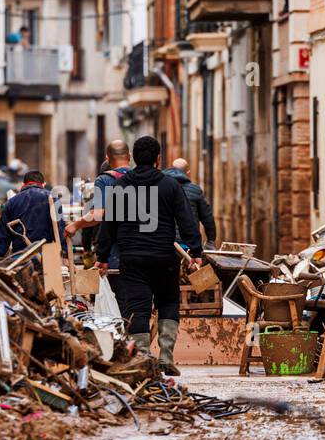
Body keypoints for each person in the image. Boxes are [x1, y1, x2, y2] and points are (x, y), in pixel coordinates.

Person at [94, 135, 203, 376]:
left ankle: (142, 358)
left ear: (133, 158)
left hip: (132, 258)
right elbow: (186, 220)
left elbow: (109, 225)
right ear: (158, 158)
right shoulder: (170, 186)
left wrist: (101, 256)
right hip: (164, 257)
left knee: (138, 307)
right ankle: (165, 357)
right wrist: (196, 252)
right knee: (168, 302)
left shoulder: (120, 187)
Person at [64, 139, 131, 271]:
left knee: (116, 288)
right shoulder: (144, 176)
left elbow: (98, 214)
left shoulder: (105, 179)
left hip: (115, 248)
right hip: (144, 246)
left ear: (107, 158)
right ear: (129, 156)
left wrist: (75, 225)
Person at [0, 170, 67, 258]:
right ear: (43, 185)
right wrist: (65, 253)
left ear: (23, 184)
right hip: (46, 257)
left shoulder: (12, 202)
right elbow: (60, 228)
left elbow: (2, 234)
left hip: (20, 257)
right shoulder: (52, 198)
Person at [164, 157, 216, 248]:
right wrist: (210, 241)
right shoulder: (195, 190)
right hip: (189, 245)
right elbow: (207, 219)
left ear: (171, 169)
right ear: (188, 173)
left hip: (166, 243)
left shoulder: (161, 188)